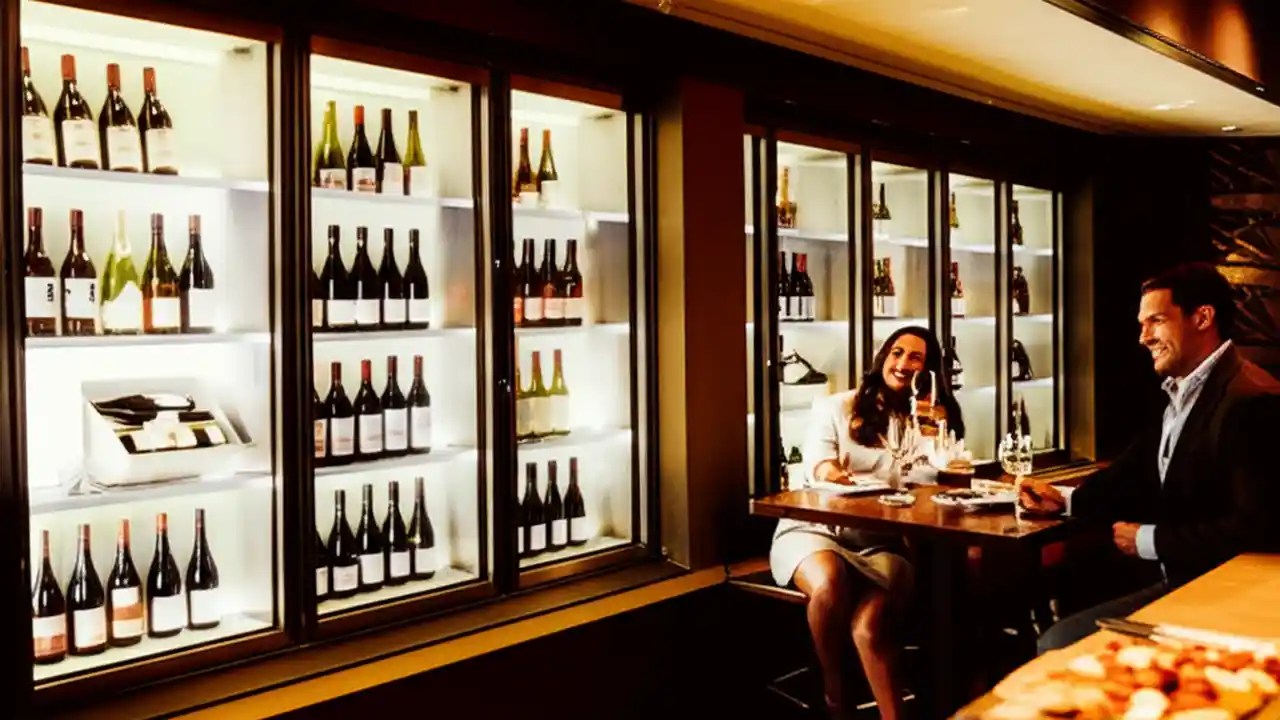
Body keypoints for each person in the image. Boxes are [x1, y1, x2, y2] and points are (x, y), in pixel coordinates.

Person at [1022, 262, 1280, 653]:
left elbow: (1258, 529)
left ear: (1203, 318)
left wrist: (1151, 540)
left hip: (1225, 598)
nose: (1143, 338)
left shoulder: (1251, 400)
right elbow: (1135, 474)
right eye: (1142, 324)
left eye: (1155, 321)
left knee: (1058, 646)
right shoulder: (1186, 390)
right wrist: (1065, 499)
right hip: (1185, 581)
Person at [770, 326, 964, 719]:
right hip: (818, 529)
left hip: (884, 540)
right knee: (830, 580)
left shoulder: (926, 417)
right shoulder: (836, 407)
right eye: (897, 353)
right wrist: (832, 473)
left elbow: (933, 481)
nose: (904, 363)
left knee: (870, 624)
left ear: (929, 372)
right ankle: (835, 691)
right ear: (883, 358)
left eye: (916, 358)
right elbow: (817, 463)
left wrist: (935, 432)